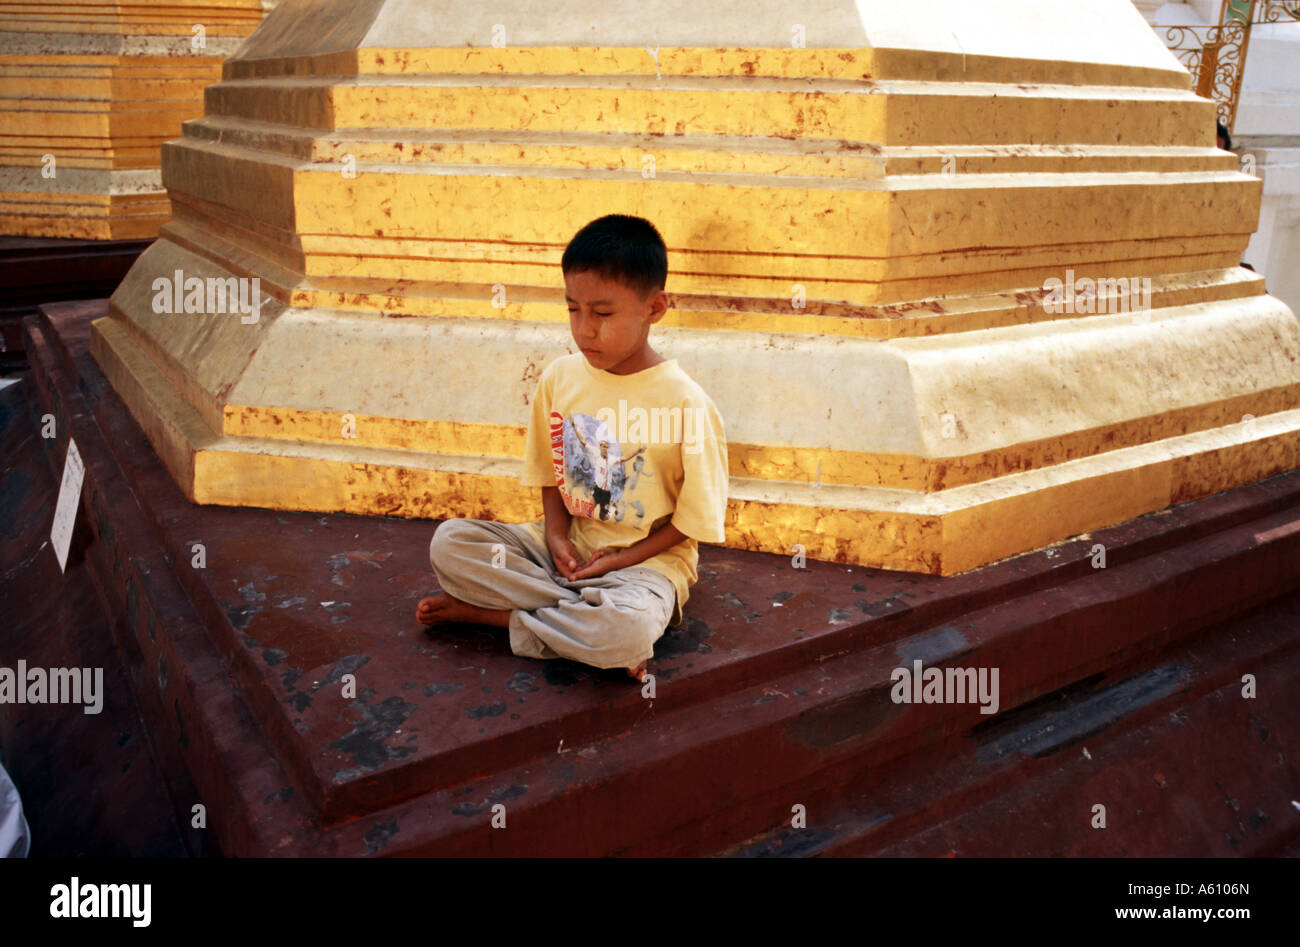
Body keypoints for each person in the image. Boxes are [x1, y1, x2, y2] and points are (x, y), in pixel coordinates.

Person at [416, 214, 729, 681]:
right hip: (562, 552)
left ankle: (497, 617)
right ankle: (580, 624)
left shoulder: (686, 402)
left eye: (603, 314)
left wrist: (621, 559)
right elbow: (550, 474)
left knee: (625, 629)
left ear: (655, 307)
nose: (585, 330)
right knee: (451, 543)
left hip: (643, 568)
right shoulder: (560, 378)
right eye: (572, 309)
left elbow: (692, 522)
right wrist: (558, 539)